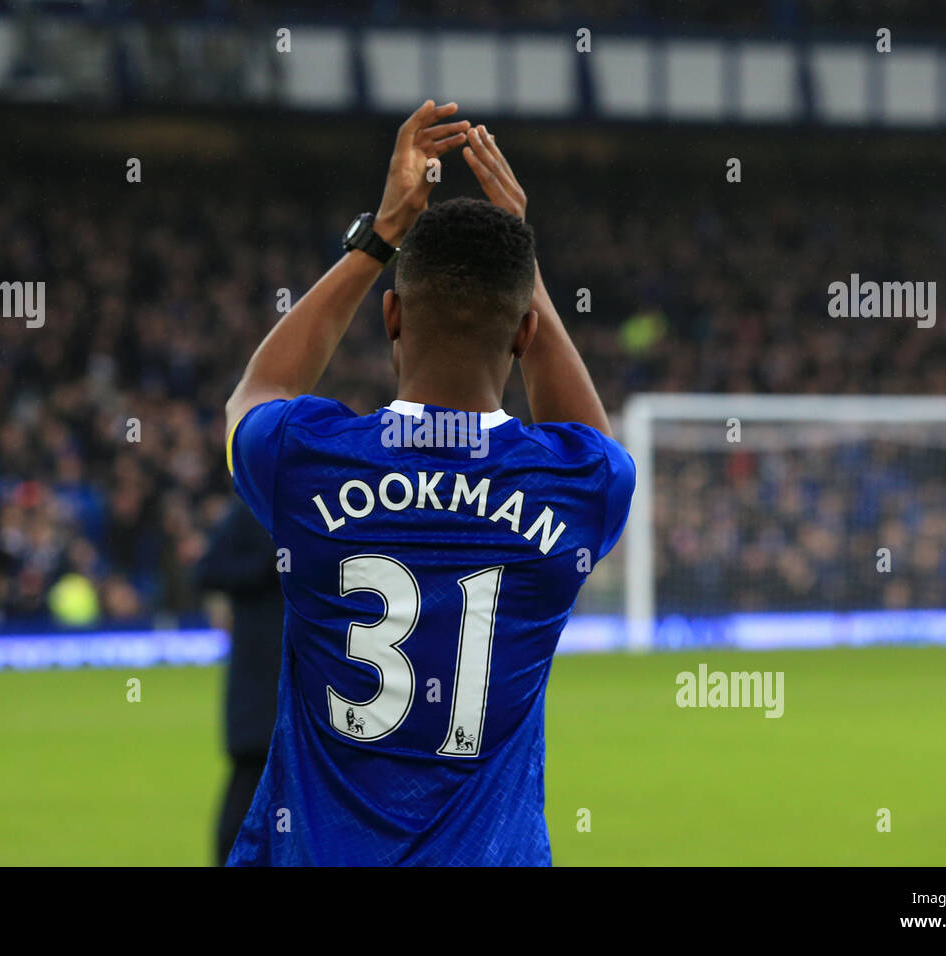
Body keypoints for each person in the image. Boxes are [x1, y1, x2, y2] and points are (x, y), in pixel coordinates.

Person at [222, 101, 635, 865]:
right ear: (525, 332)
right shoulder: (577, 486)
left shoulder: (304, 460)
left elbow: (257, 391)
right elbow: (593, 442)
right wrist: (525, 268)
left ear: (391, 318)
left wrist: (377, 236)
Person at [196, 497, 284, 866]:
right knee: (249, 780)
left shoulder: (303, 505)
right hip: (260, 682)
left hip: (299, 676)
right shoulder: (253, 511)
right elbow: (206, 571)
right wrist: (264, 567)